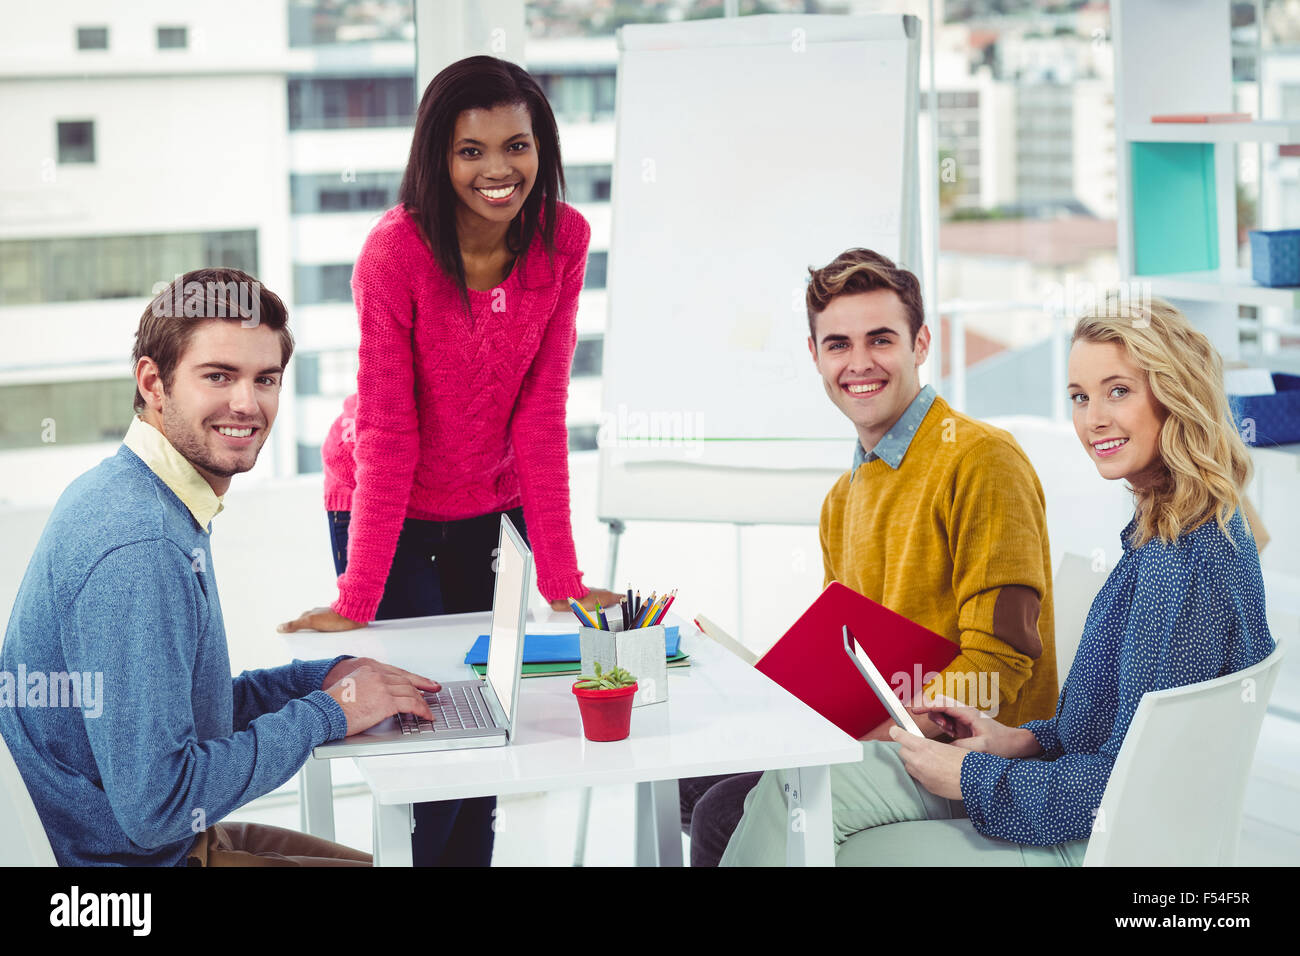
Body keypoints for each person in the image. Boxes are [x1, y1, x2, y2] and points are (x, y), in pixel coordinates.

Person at [720, 294, 1276, 866]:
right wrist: (1017, 740)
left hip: (1104, 844)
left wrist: (973, 776)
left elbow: (1132, 785)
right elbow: (1107, 730)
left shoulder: (1182, 564)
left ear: (1175, 393)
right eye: (1080, 397)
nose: (1094, 419)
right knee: (793, 791)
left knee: (806, 815)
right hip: (1069, 803)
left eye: (1119, 391)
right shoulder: (1167, 532)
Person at [278, 56, 620, 866]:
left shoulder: (563, 240)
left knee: (485, 736)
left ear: (542, 149)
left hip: (491, 505)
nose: (498, 170)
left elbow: (540, 415)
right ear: (438, 155)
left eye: (516, 146)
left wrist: (564, 582)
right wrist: (358, 595)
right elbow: (389, 431)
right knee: (428, 743)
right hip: (387, 503)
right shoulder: (394, 255)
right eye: (472, 150)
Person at [0, 270, 437, 866]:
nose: (247, 404)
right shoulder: (141, 546)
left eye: (265, 379)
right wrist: (330, 714)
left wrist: (320, 680)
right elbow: (158, 807)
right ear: (153, 383)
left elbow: (180, 715)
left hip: (162, 844)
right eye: (218, 376)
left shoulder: (135, 491)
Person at [681, 248, 1060, 865]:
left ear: (920, 344)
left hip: (972, 760)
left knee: (721, 811)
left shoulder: (981, 459)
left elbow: (1003, 660)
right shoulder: (842, 498)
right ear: (815, 356)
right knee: (691, 778)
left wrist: (879, 730)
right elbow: (847, 654)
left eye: (880, 339)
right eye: (838, 345)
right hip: (881, 739)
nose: (859, 363)